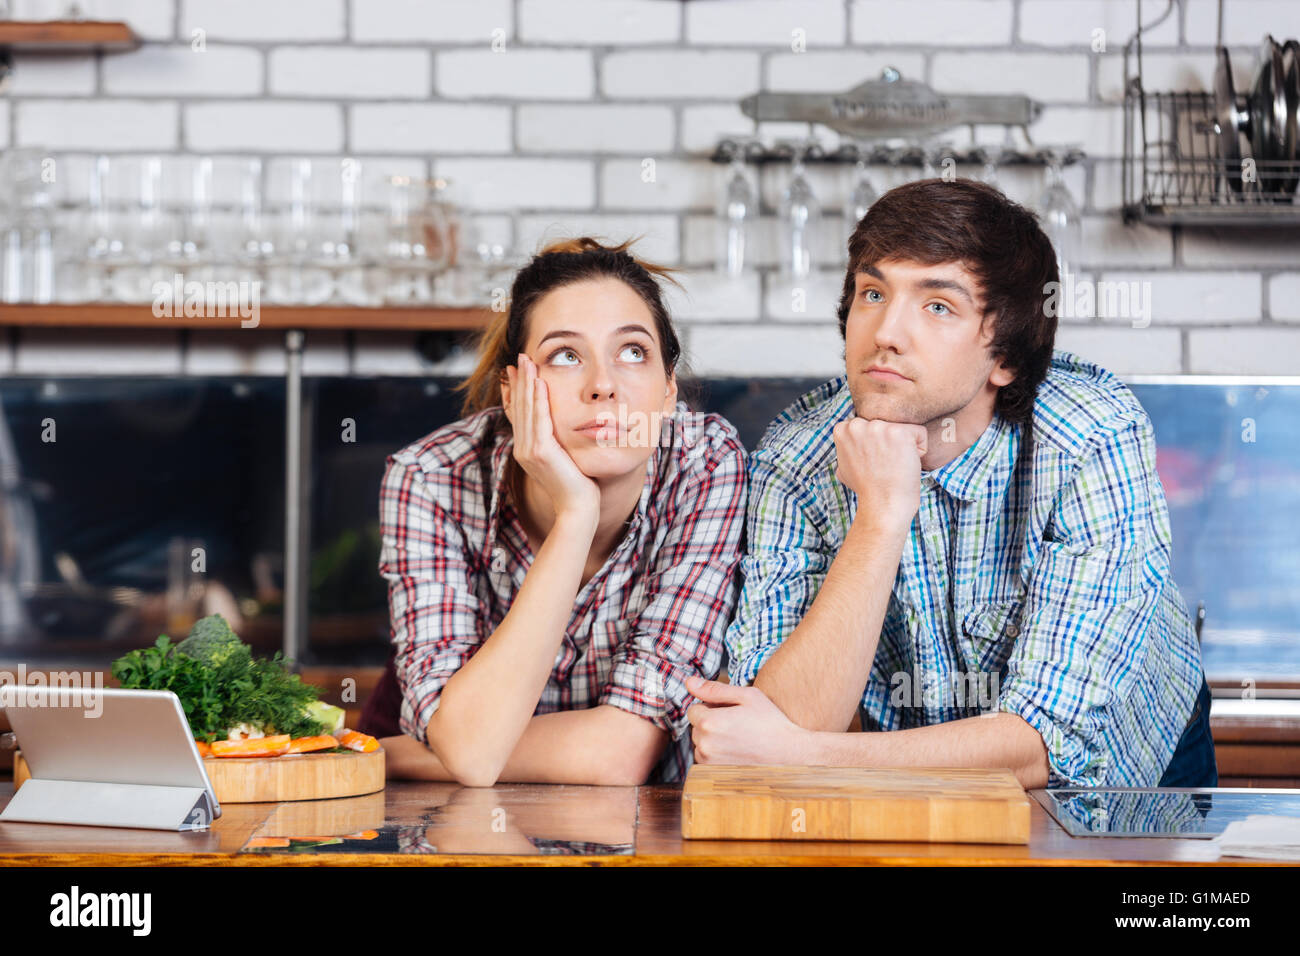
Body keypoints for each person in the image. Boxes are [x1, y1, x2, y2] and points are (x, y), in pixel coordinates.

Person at [686, 178, 1216, 790]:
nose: (886, 332)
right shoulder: (796, 460)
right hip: (901, 778)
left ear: (1005, 358)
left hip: (1127, 769)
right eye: (873, 293)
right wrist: (880, 516)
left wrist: (810, 754)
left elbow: (1040, 746)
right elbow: (784, 720)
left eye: (937, 306)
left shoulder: (1091, 437)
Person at [359, 236, 747, 787]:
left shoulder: (705, 464)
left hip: (636, 822)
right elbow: (470, 752)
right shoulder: (431, 478)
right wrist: (576, 515)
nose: (603, 386)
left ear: (668, 391)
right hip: (454, 817)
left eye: (632, 351)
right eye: (566, 356)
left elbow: (622, 753)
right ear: (512, 391)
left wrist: (394, 757)